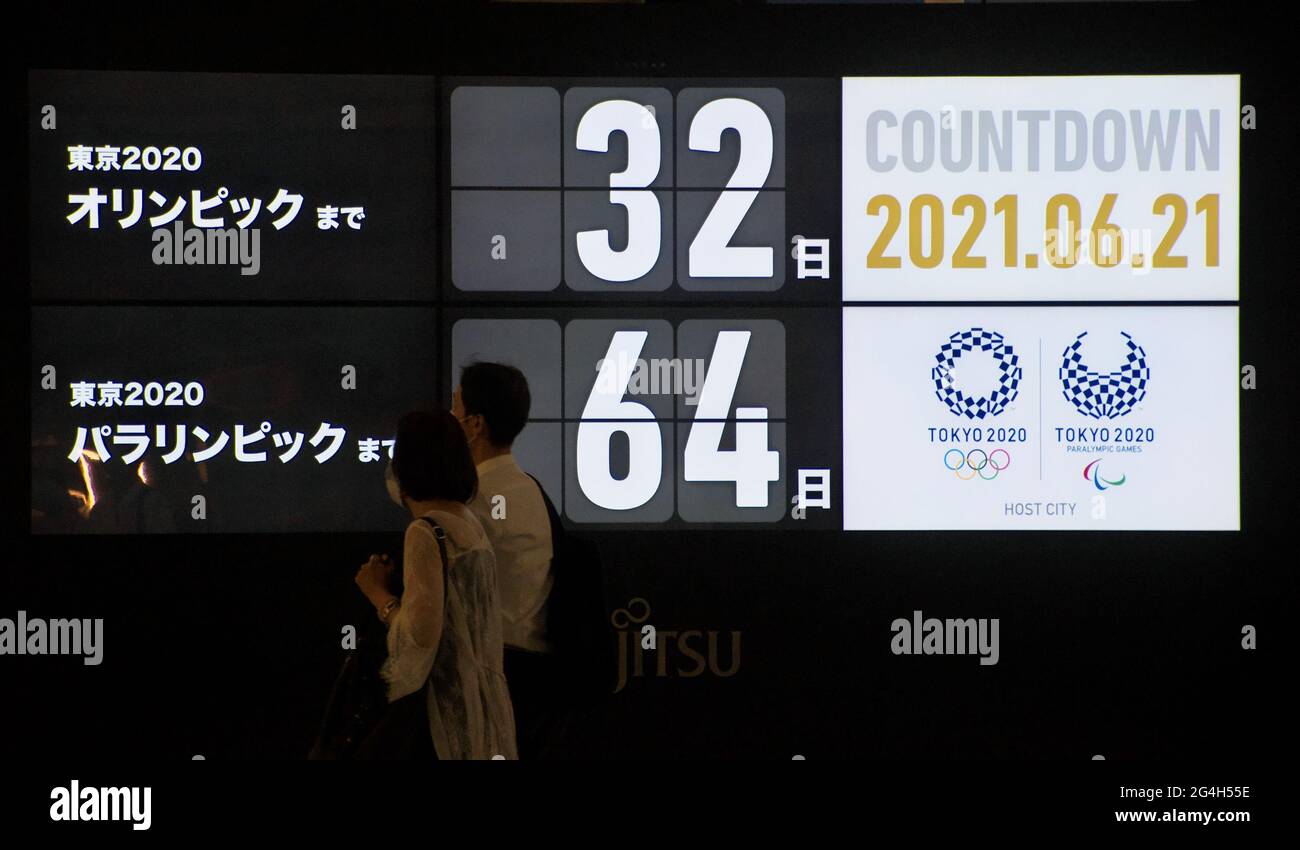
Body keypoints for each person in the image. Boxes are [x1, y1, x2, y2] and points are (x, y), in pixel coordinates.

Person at [353, 409, 517, 760]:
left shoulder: (426, 531)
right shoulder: (470, 523)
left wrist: (379, 595)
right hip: (486, 713)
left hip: (443, 718)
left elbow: (419, 636)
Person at [452, 362, 564, 758]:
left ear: (475, 424)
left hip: (490, 674)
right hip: (536, 675)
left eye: (455, 410)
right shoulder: (533, 491)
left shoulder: (470, 501)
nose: (450, 420)